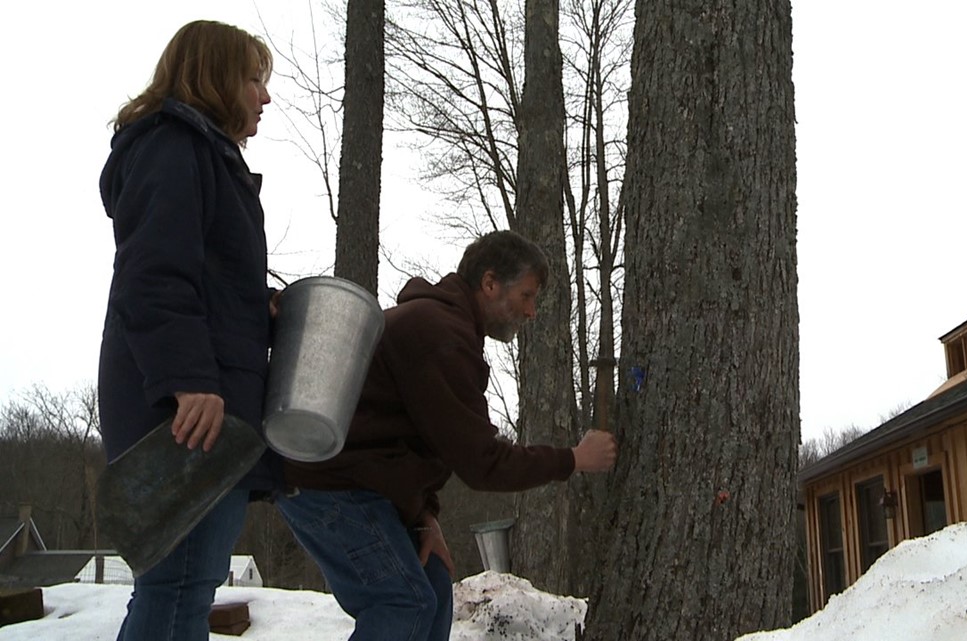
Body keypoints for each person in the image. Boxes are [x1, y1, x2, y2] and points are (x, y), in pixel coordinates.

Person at [279, 230, 619, 641]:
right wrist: (574, 459)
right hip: (331, 485)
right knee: (403, 604)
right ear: (490, 283)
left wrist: (425, 516)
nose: (531, 312)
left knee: (435, 588)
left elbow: (416, 441)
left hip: (364, 483)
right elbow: (481, 463)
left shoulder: (445, 327)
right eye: (526, 296)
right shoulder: (438, 333)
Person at [97, 20, 279, 641]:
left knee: (191, 585)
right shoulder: (172, 146)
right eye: (255, 79)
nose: (265, 96)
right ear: (218, 76)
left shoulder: (204, 156)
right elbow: (153, 275)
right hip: (184, 410)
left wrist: (263, 308)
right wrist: (189, 379)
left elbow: (207, 281)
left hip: (209, 409)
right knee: (174, 585)